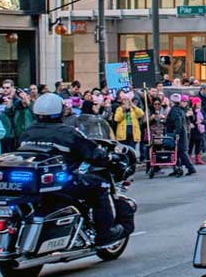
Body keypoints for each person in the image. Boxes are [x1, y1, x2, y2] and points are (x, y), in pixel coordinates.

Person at [15, 93, 127, 243]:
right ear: (59, 111)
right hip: (62, 181)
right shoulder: (67, 133)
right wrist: (109, 157)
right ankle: (104, 234)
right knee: (100, 186)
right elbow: (92, 152)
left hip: (35, 183)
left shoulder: (28, 132)